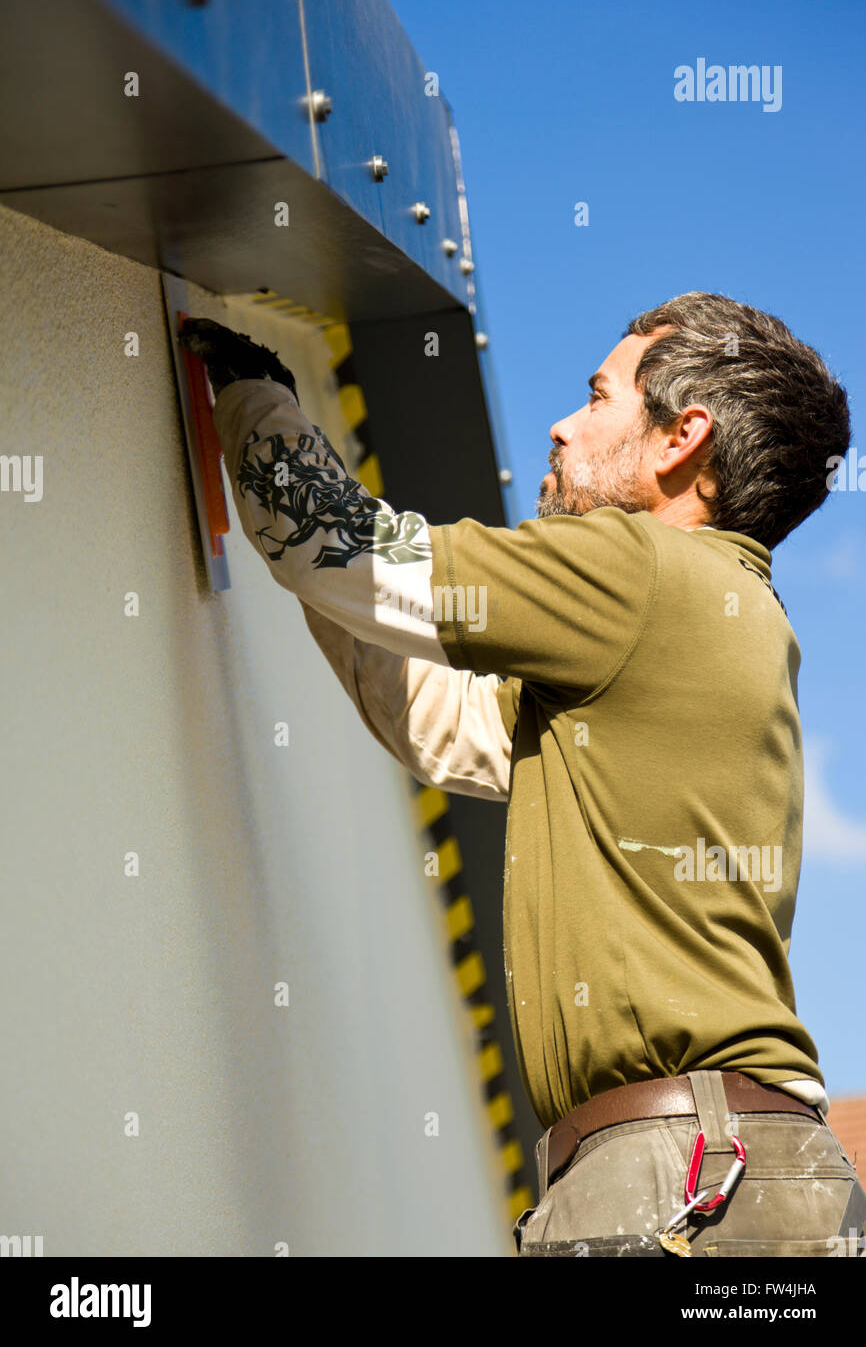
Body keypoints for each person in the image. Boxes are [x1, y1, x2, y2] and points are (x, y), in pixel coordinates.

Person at [180, 293, 866, 1257]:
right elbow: (437, 720)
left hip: (686, 1178)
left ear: (683, 439)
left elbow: (346, 547)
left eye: (598, 397)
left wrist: (251, 391)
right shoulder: (715, 627)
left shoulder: (644, 573)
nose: (563, 424)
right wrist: (330, 576)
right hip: (736, 1175)